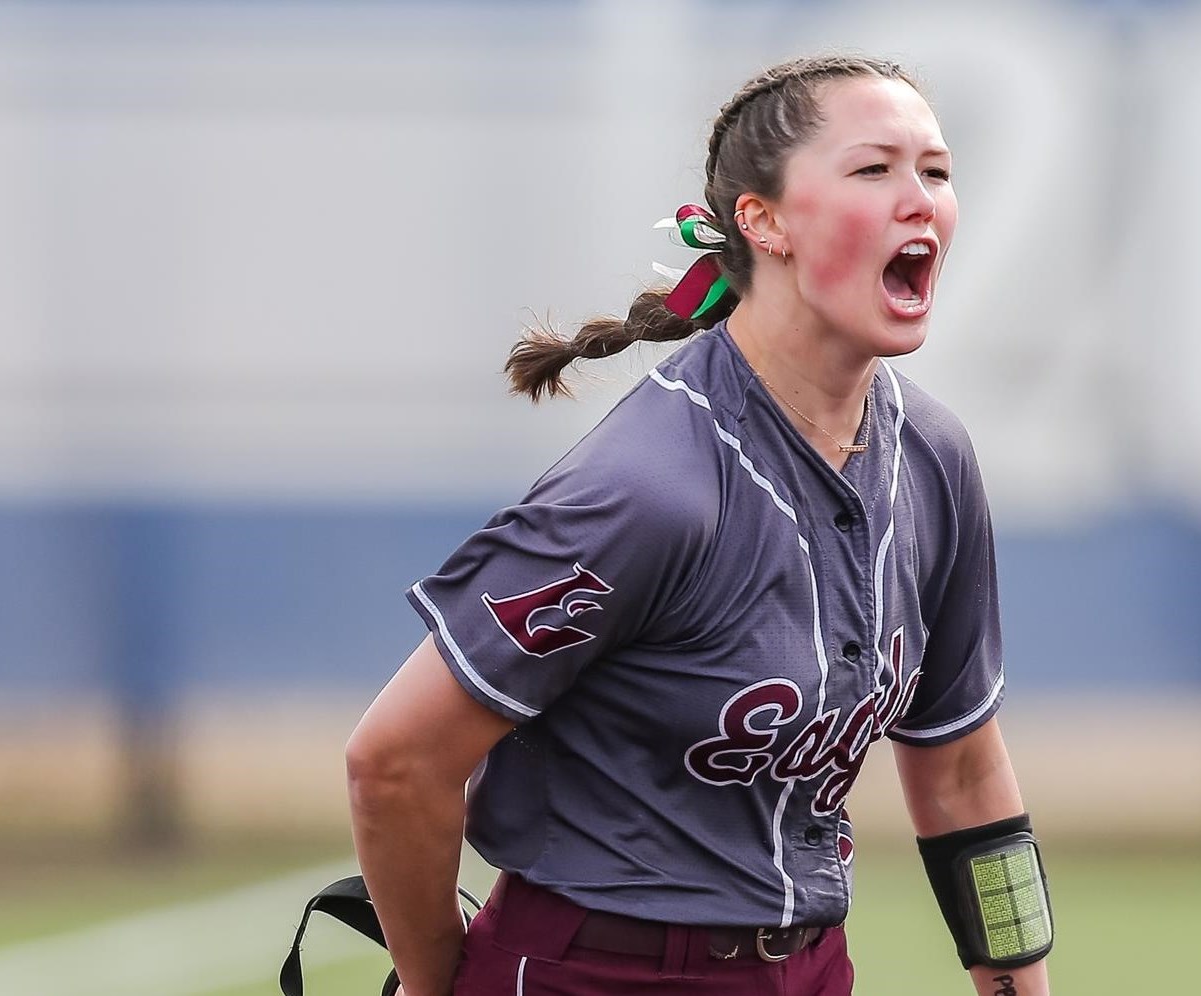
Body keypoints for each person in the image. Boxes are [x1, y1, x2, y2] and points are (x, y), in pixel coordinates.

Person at [344, 54, 1054, 996]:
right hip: (594, 973)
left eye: (936, 170)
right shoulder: (649, 488)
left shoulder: (932, 458)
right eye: (874, 169)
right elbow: (395, 762)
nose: (919, 197)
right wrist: (437, 985)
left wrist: (1018, 988)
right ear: (762, 222)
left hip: (806, 970)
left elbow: (964, 775)